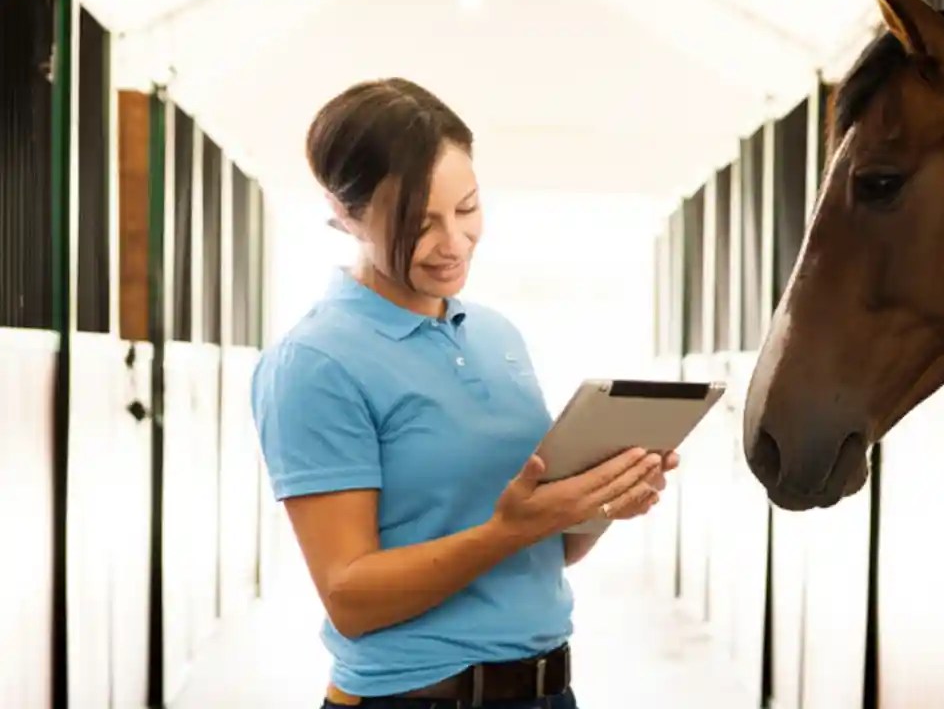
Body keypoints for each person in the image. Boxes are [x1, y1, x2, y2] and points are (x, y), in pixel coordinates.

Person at [250, 77, 679, 709]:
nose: (453, 242)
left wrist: (598, 503)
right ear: (345, 215)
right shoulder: (315, 361)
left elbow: (546, 552)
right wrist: (508, 529)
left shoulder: (495, 334)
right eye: (418, 223)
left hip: (547, 692)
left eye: (468, 207)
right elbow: (350, 600)